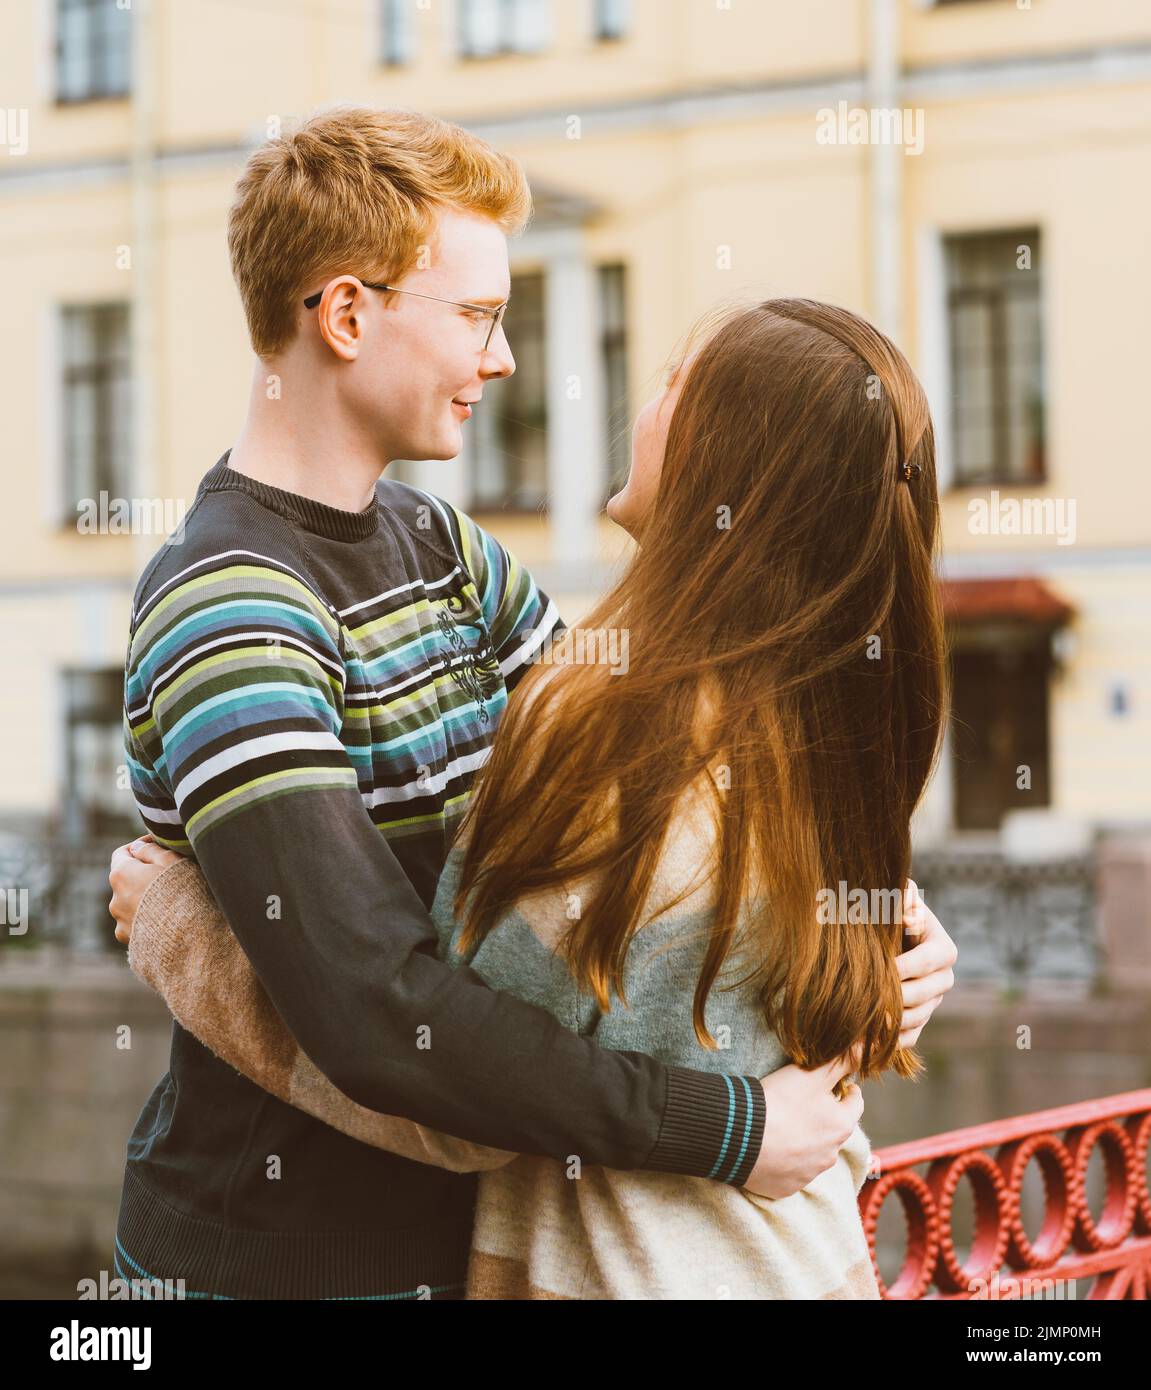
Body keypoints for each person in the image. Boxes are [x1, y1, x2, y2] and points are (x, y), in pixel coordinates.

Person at [107, 106, 957, 1304]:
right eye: (478, 317)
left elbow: (668, 778)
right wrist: (725, 1123)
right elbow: (374, 1007)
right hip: (279, 1251)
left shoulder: (443, 546)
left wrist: (880, 925)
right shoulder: (230, 607)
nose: (503, 359)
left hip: (467, 1228)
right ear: (347, 316)